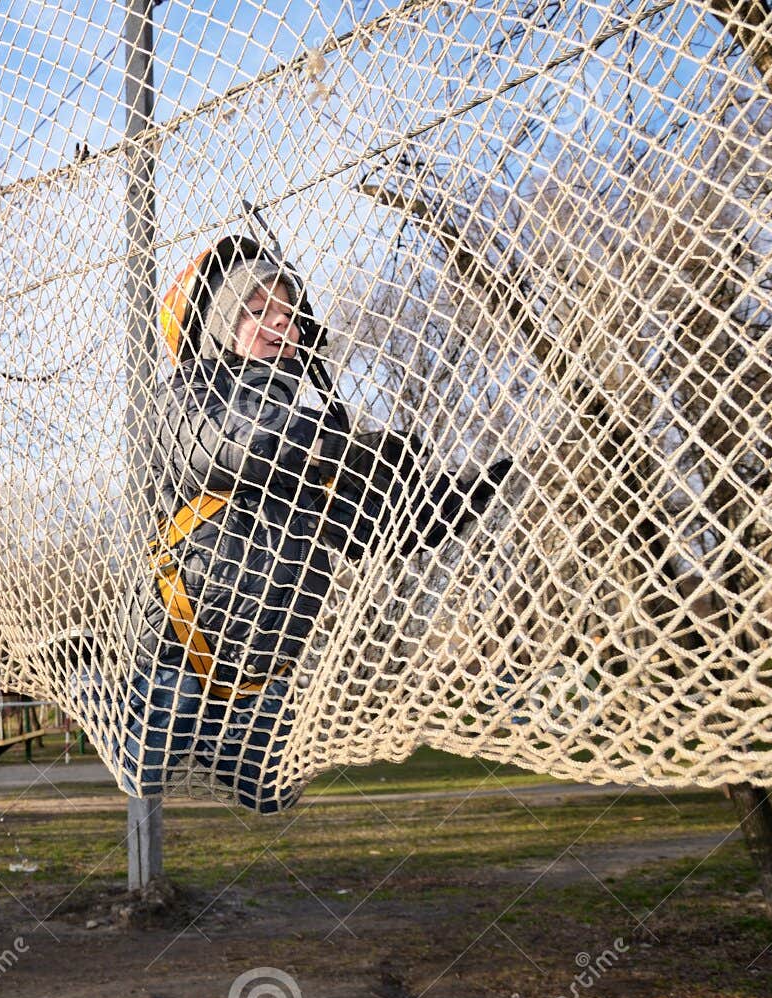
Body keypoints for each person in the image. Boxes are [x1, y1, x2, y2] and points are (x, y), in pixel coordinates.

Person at [90, 235, 512, 813]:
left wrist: (452, 494)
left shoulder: (307, 421)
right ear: (217, 327)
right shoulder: (190, 397)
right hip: (182, 642)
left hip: (266, 667)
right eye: (256, 311)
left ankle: (226, 752)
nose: (277, 324)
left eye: (287, 314)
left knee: (269, 794)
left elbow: (372, 528)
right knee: (143, 766)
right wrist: (319, 446)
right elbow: (228, 445)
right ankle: (100, 685)